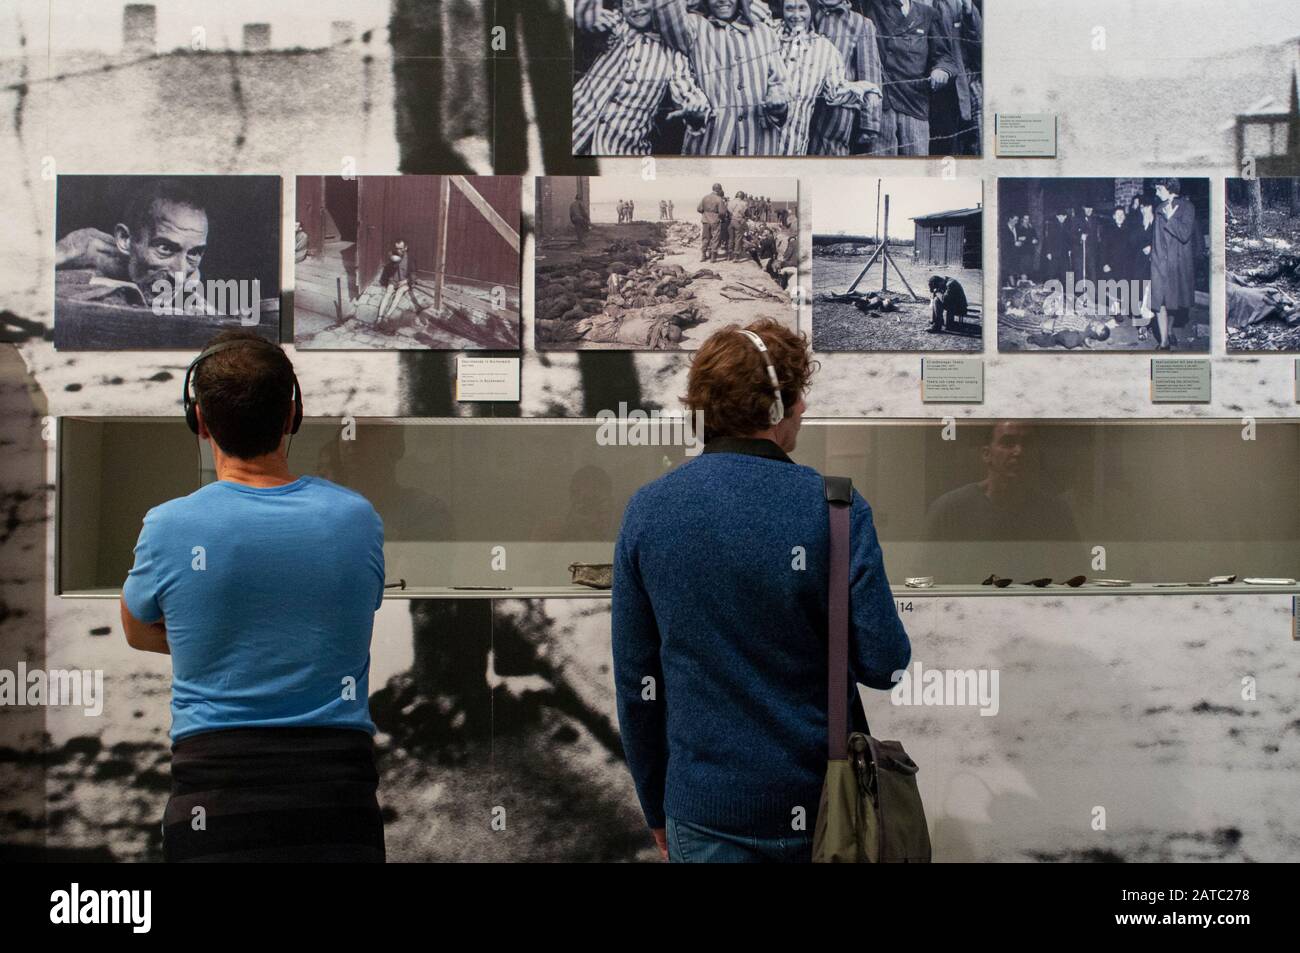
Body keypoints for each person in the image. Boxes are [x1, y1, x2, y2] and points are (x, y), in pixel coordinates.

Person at [612, 319, 910, 863]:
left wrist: (657, 810)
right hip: (824, 812)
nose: (802, 411)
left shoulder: (648, 510)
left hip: (703, 813)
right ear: (780, 407)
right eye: (798, 398)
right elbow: (885, 663)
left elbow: (638, 689)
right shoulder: (836, 508)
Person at [120, 330, 386, 862]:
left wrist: (217, 638)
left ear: (199, 421)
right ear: (293, 416)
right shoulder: (357, 518)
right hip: (337, 797)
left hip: (215, 798)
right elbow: (347, 617)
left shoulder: (168, 526)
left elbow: (137, 630)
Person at [573, 0, 709, 155]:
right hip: (576, 130)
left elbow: (686, 89)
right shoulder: (618, 27)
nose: (636, 9)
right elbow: (587, 17)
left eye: (644, 1)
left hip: (623, 150)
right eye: (628, 3)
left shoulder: (672, 52)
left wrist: (696, 109)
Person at [657, 0, 792, 156]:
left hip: (758, 146)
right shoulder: (694, 26)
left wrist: (777, 102)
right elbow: (679, 75)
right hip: (711, 145)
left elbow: (780, 81)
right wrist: (694, 104)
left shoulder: (764, 32)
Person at [56, 177, 211, 311]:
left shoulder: (189, 276)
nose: (180, 275)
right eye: (165, 248)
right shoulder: (76, 258)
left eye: (194, 253)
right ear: (125, 239)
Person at [860, 0, 956, 156]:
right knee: (880, 166)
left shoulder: (928, 14)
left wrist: (941, 70)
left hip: (915, 102)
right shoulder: (872, 6)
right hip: (882, 102)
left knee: (917, 164)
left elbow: (944, 56)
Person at [804, 0, 882, 156]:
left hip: (838, 111)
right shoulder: (806, 12)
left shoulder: (860, 24)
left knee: (830, 154)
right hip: (805, 102)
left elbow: (869, 72)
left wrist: (869, 123)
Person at [927, 0, 982, 155]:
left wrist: (969, 12)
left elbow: (980, 49)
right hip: (930, 88)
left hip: (962, 86)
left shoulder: (960, 5)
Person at [1149, 178, 1198, 350]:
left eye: (1159, 189)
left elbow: (1185, 234)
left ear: (1169, 188)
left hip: (1177, 265)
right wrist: (1153, 258)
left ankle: (1169, 331)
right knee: (1159, 302)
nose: (1156, 193)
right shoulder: (1158, 208)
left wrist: (1171, 218)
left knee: (1173, 303)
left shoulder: (1188, 207)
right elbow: (1156, 238)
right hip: (1159, 263)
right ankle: (1163, 342)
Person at [698, 183, 726, 262]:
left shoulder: (705, 197)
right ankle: (713, 257)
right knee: (715, 238)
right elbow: (722, 212)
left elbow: (699, 209)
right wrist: (720, 218)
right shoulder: (719, 199)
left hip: (705, 220)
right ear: (719, 189)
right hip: (715, 221)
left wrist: (706, 213)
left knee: (705, 238)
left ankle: (703, 255)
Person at [726, 190, 749, 260]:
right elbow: (747, 214)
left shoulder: (730, 202)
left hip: (731, 222)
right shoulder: (744, 203)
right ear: (742, 197)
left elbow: (727, 213)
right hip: (738, 222)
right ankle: (736, 256)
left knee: (730, 239)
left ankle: (729, 255)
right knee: (738, 239)